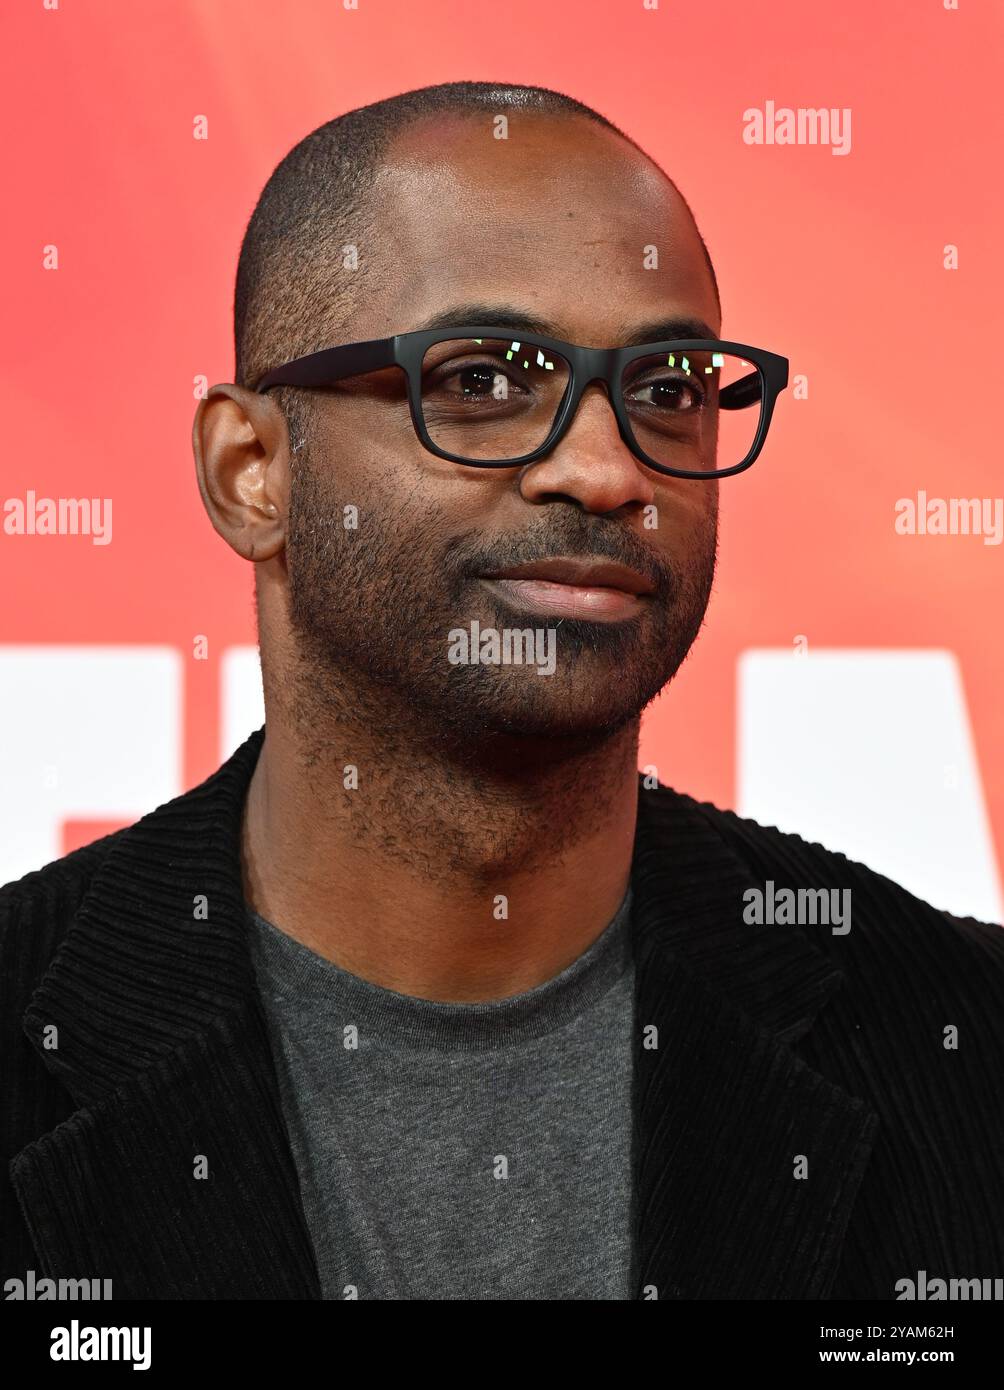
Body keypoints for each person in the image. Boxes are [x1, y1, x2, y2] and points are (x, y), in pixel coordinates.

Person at [2, 80, 1002, 1302]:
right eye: (481, 381)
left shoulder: (963, 1041)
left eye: (670, 386)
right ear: (250, 471)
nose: (603, 466)